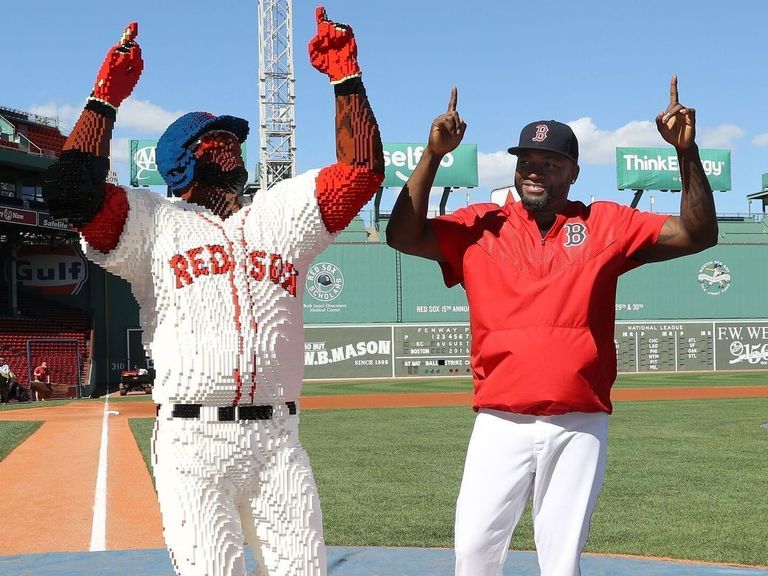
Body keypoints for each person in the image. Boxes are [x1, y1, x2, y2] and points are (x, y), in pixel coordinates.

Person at [42, 9, 383, 576]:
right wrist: (105, 97)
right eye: (215, 139)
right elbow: (72, 195)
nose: (232, 145)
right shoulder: (152, 222)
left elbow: (361, 172)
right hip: (193, 441)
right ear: (183, 160)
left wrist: (346, 75)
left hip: (279, 439)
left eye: (233, 137)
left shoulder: (280, 216)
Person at [386, 80, 717, 576]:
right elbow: (402, 235)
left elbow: (697, 232)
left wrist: (686, 153)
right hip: (499, 420)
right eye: (526, 161)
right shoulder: (480, 223)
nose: (535, 170)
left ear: (573, 173)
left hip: (579, 421)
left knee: (560, 563)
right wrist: (433, 156)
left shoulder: (606, 223)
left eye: (550, 162)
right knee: (473, 552)